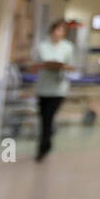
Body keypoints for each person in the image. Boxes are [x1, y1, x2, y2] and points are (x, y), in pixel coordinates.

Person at [29, 19, 75, 162]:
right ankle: (46, 143)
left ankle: (43, 146)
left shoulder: (68, 47)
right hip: (43, 87)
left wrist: (61, 66)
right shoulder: (42, 46)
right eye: (56, 30)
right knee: (44, 117)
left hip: (59, 88)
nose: (58, 33)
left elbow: (72, 66)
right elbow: (34, 66)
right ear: (51, 31)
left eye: (61, 30)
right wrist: (44, 65)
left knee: (49, 116)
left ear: (64, 33)